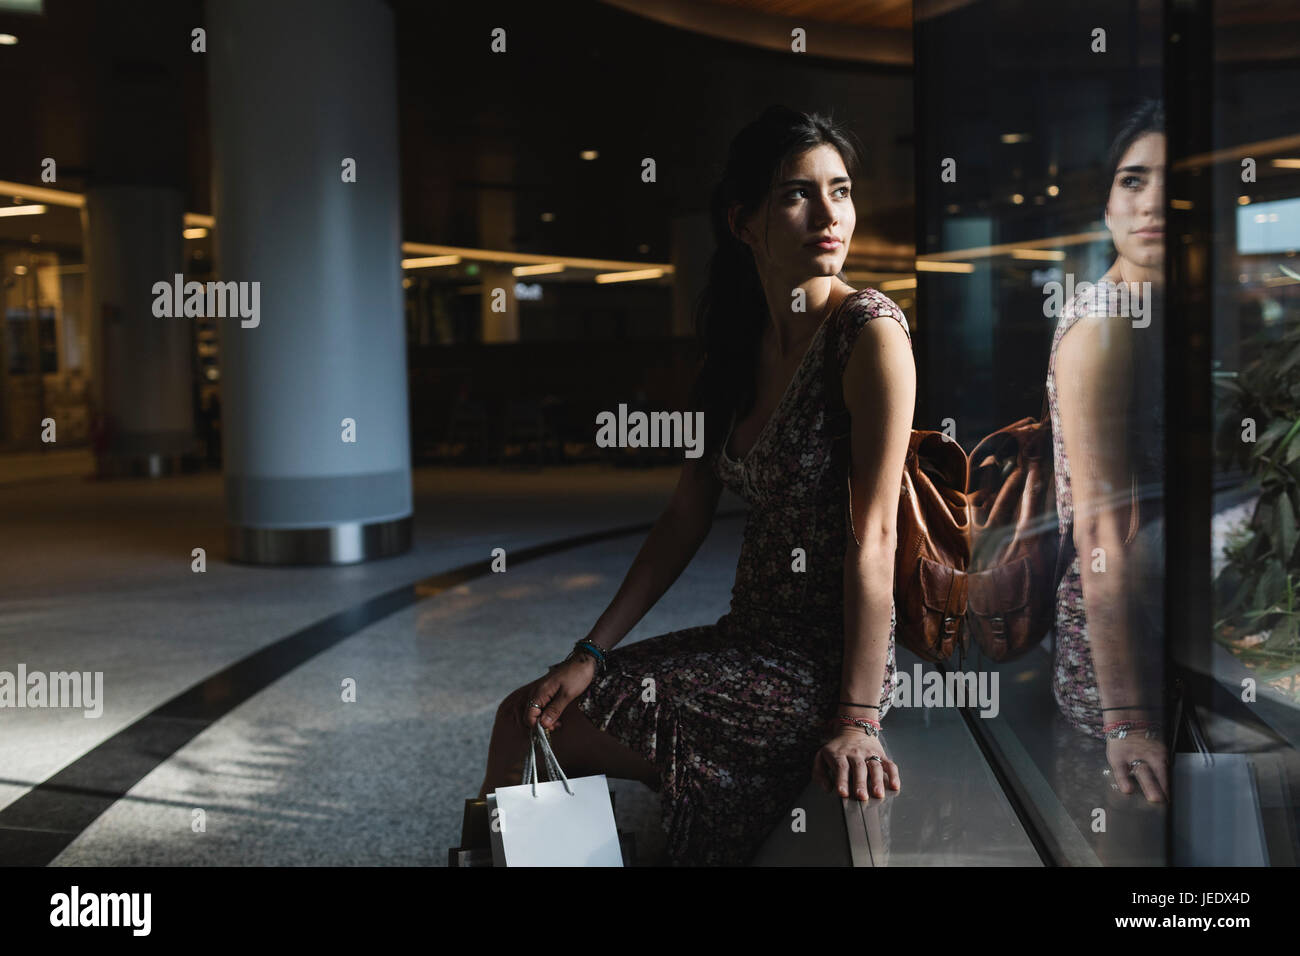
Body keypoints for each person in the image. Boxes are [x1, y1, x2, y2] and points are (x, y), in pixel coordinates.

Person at [477, 105, 916, 865]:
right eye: (796, 194)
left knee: (531, 725)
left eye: (840, 190)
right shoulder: (737, 349)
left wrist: (858, 717)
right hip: (745, 642)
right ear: (743, 222)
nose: (828, 214)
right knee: (529, 714)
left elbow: (875, 536)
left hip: (822, 669)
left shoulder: (869, 332)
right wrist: (592, 651)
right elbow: (683, 517)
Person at [1046, 99, 1169, 803]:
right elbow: (1100, 532)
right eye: (1132, 179)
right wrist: (1127, 719)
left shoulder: (1170, 314)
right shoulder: (1108, 323)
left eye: (1172, 181)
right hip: (1116, 657)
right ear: (1105, 203)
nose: (1151, 200)